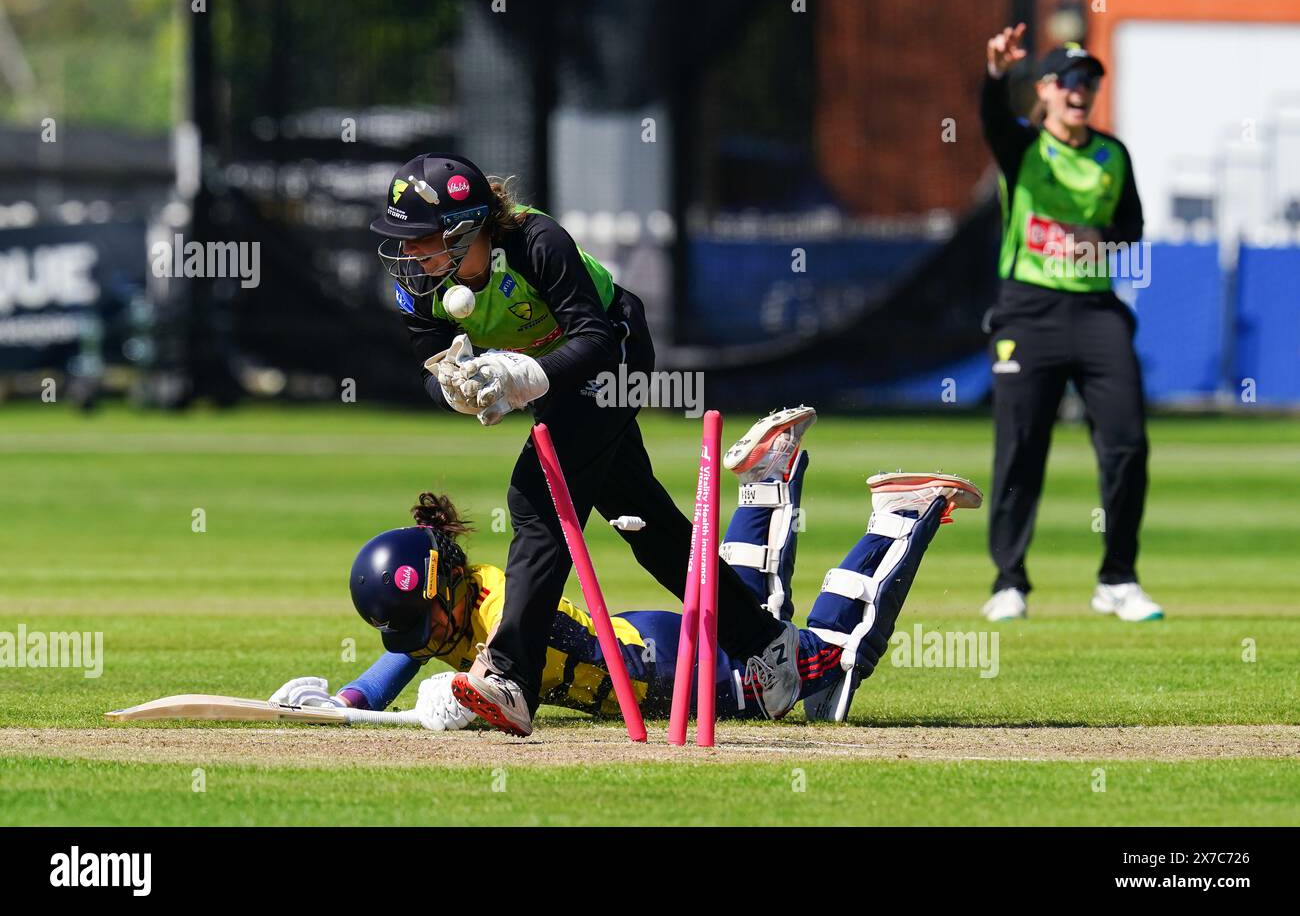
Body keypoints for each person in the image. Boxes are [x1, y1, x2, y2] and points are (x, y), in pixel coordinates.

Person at [368, 154, 803, 735]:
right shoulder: (420, 288)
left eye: (421, 240)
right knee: (641, 519)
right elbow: (431, 361)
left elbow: (594, 339)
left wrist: (522, 376)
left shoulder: (537, 241)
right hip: (558, 373)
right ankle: (770, 646)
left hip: (615, 356)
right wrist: (455, 388)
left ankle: (511, 678)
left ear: (467, 228)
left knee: (534, 497)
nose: (411, 256)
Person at [268, 412, 983, 728]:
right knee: (753, 616)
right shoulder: (444, 607)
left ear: (448, 585)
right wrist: (353, 701)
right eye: (411, 627)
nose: (422, 635)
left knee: (829, 658)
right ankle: (768, 477)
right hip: (651, 642)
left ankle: (904, 513)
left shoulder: (492, 606)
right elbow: (407, 657)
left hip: (677, 674)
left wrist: (462, 694)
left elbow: (511, 661)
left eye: (421, 619)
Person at [979, 25, 1163, 623]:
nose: (1081, 91)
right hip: (1027, 309)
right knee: (1020, 448)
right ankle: (1010, 581)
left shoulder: (1113, 154)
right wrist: (996, 75)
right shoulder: (1024, 147)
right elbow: (991, 119)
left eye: (1091, 82)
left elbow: (1131, 231)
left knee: (1127, 443)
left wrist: (1098, 240)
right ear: (1048, 90)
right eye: (1070, 81)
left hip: (1094, 311)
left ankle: (1118, 578)